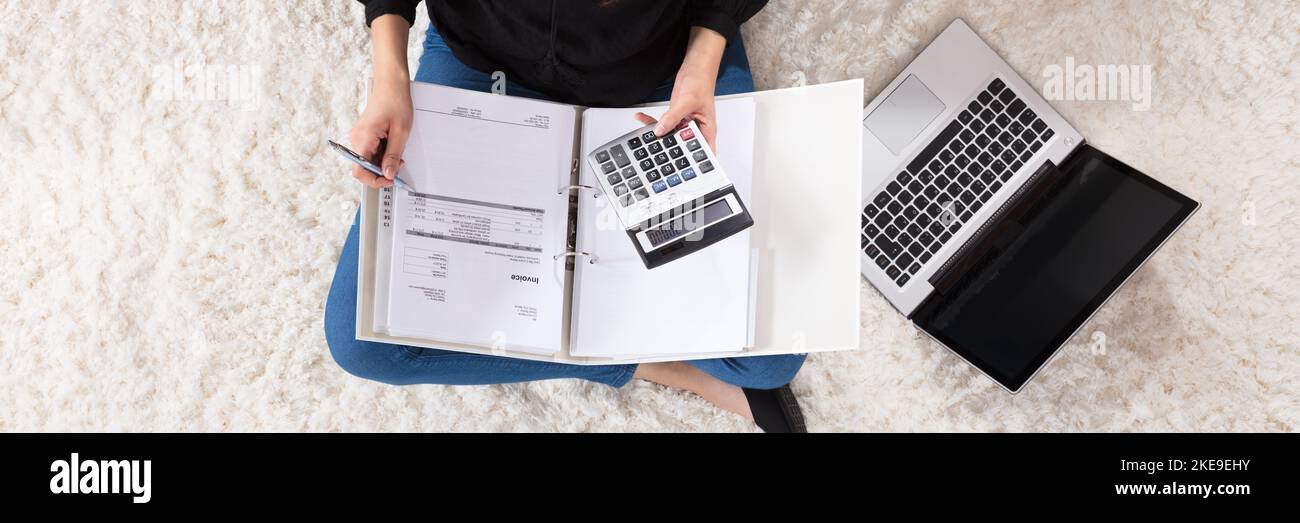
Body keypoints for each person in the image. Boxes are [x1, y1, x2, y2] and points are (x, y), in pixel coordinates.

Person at [325, 0, 806, 432]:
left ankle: (613, 342)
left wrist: (705, 54)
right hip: (485, 61)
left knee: (772, 358)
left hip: (669, 63)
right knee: (362, 341)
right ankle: (646, 363)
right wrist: (389, 80)